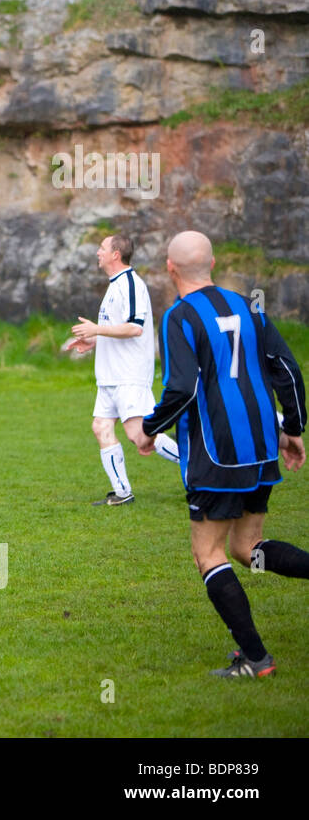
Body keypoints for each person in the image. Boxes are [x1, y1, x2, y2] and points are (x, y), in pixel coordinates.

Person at [136, 231, 308, 678]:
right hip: (261, 445)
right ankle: (255, 656)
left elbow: (182, 387)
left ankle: (256, 659)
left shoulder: (179, 316)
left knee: (209, 554)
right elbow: (286, 368)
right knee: (248, 547)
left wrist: (148, 430)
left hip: (216, 454)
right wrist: (292, 427)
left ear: (170, 268)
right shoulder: (250, 306)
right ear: (212, 262)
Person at [66, 234, 179, 506]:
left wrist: (96, 329)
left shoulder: (130, 284)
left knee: (140, 436)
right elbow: (117, 328)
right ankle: (122, 492)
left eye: (102, 248)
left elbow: (134, 328)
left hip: (128, 376)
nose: (98, 252)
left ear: (116, 254)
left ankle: (204, 468)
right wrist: (93, 341)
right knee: (101, 427)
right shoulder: (114, 285)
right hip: (109, 376)